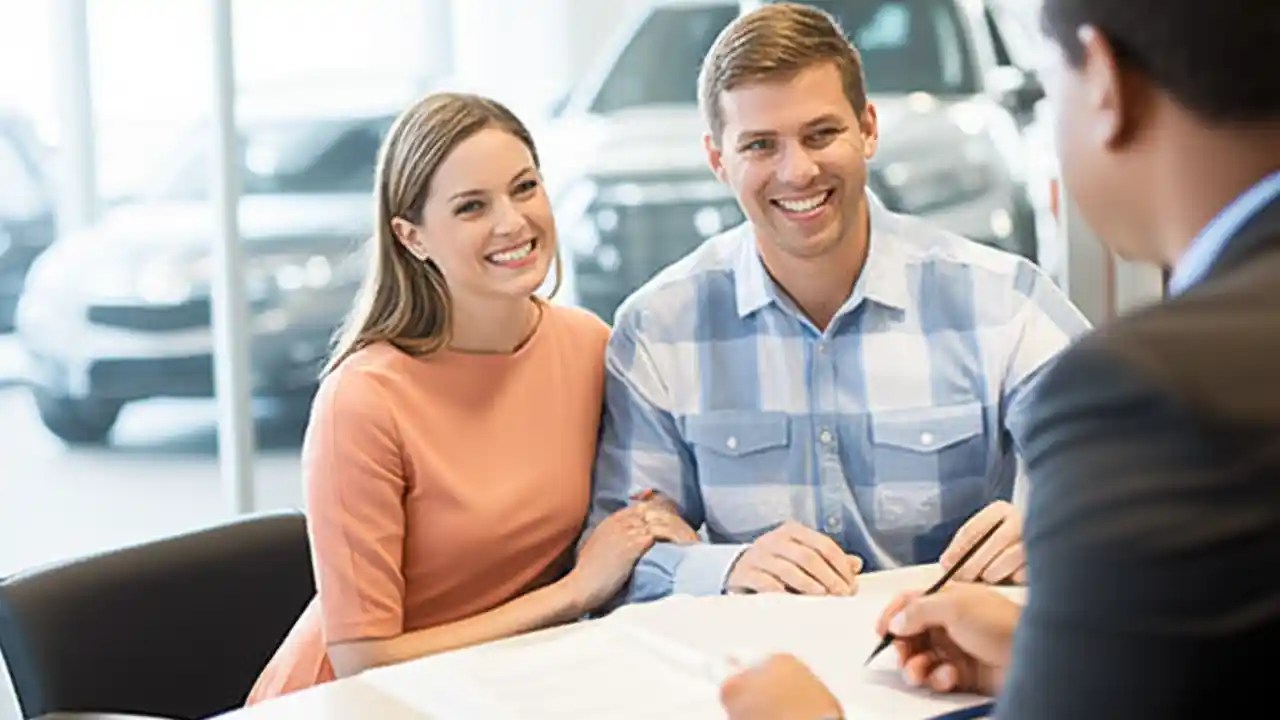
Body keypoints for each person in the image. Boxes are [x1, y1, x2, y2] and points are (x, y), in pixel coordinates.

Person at [719, 0, 1280, 716]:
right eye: (760, 143)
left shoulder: (1152, 392)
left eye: (1051, 84)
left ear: (1104, 83)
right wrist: (1055, 656)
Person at [589, 2, 1089, 603]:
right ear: (719, 159)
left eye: (821, 134)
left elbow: (1124, 471)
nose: (797, 170)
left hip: (947, 667)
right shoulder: (657, 329)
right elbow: (617, 558)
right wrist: (725, 570)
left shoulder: (1004, 301)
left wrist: (1053, 524)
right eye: (760, 145)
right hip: (755, 666)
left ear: (868, 129)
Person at [246, 92, 691, 703]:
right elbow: (363, 660)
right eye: (471, 207)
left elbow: (629, 509)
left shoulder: (588, 345)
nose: (512, 222)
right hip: (354, 705)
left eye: (525, 187)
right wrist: (574, 592)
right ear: (412, 237)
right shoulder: (364, 401)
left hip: (501, 687)